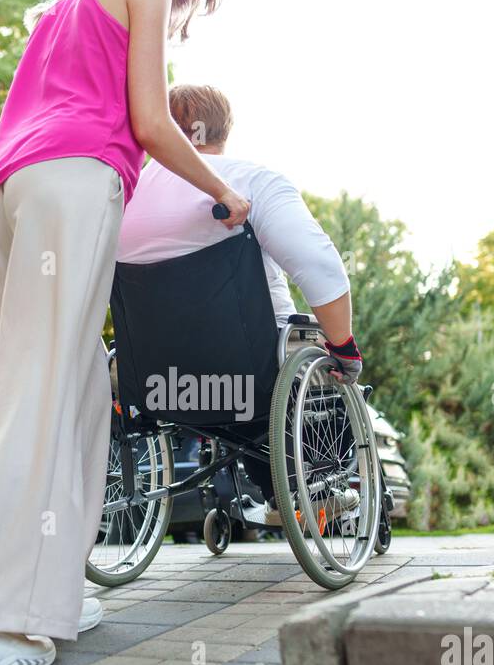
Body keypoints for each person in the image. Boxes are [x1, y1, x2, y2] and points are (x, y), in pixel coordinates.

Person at [0, 0, 246, 665]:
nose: (194, 2)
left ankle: (50, 596)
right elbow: (152, 123)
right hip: (75, 179)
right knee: (43, 396)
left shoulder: (63, 3)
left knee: (68, 390)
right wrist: (222, 189)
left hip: (7, 184)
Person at [116, 83, 362, 524]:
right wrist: (343, 347)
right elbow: (320, 268)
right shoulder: (249, 181)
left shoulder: (120, 198)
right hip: (250, 372)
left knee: (249, 383)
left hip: (153, 381)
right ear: (213, 129)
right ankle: (311, 483)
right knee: (314, 362)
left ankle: (264, 488)